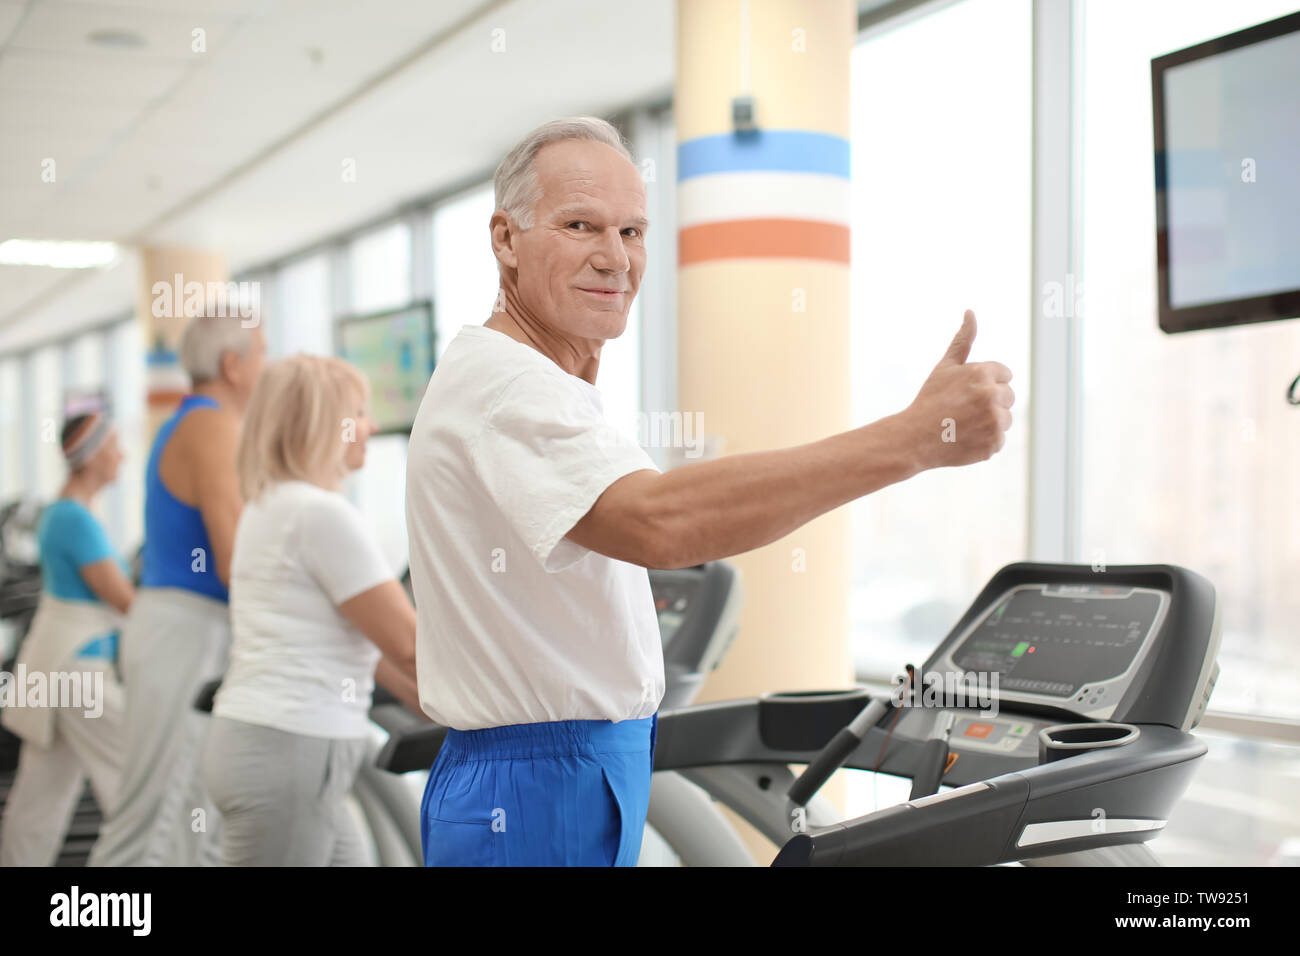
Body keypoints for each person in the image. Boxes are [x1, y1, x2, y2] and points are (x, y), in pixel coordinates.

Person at [405, 116, 1015, 867]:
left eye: (633, 232)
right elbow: (658, 522)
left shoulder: (534, 385)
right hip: (535, 786)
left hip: (566, 770)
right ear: (505, 240)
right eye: (580, 226)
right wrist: (911, 440)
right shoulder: (508, 385)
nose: (615, 258)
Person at [201, 354, 420, 866]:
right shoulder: (319, 515)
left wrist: (455, 715)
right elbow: (409, 645)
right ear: (324, 424)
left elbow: (370, 648)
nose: (369, 426)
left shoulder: (271, 504)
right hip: (288, 749)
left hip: (276, 745)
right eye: (358, 412)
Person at [89, 312, 266, 867]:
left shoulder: (193, 421)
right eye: (262, 352)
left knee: (187, 818)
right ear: (233, 366)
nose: (270, 365)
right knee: (158, 822)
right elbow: (234, 557)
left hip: (181, 628)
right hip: (185, 634)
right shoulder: (211, 425)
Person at [0, 411, 133, 866]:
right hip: (79, 674)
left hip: (58, 670)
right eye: (114, 445)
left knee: (38, 802)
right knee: (137, 785)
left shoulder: (63, 514)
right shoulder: (74, 520)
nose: (123, 455)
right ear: (92, 455)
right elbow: (122, 599)